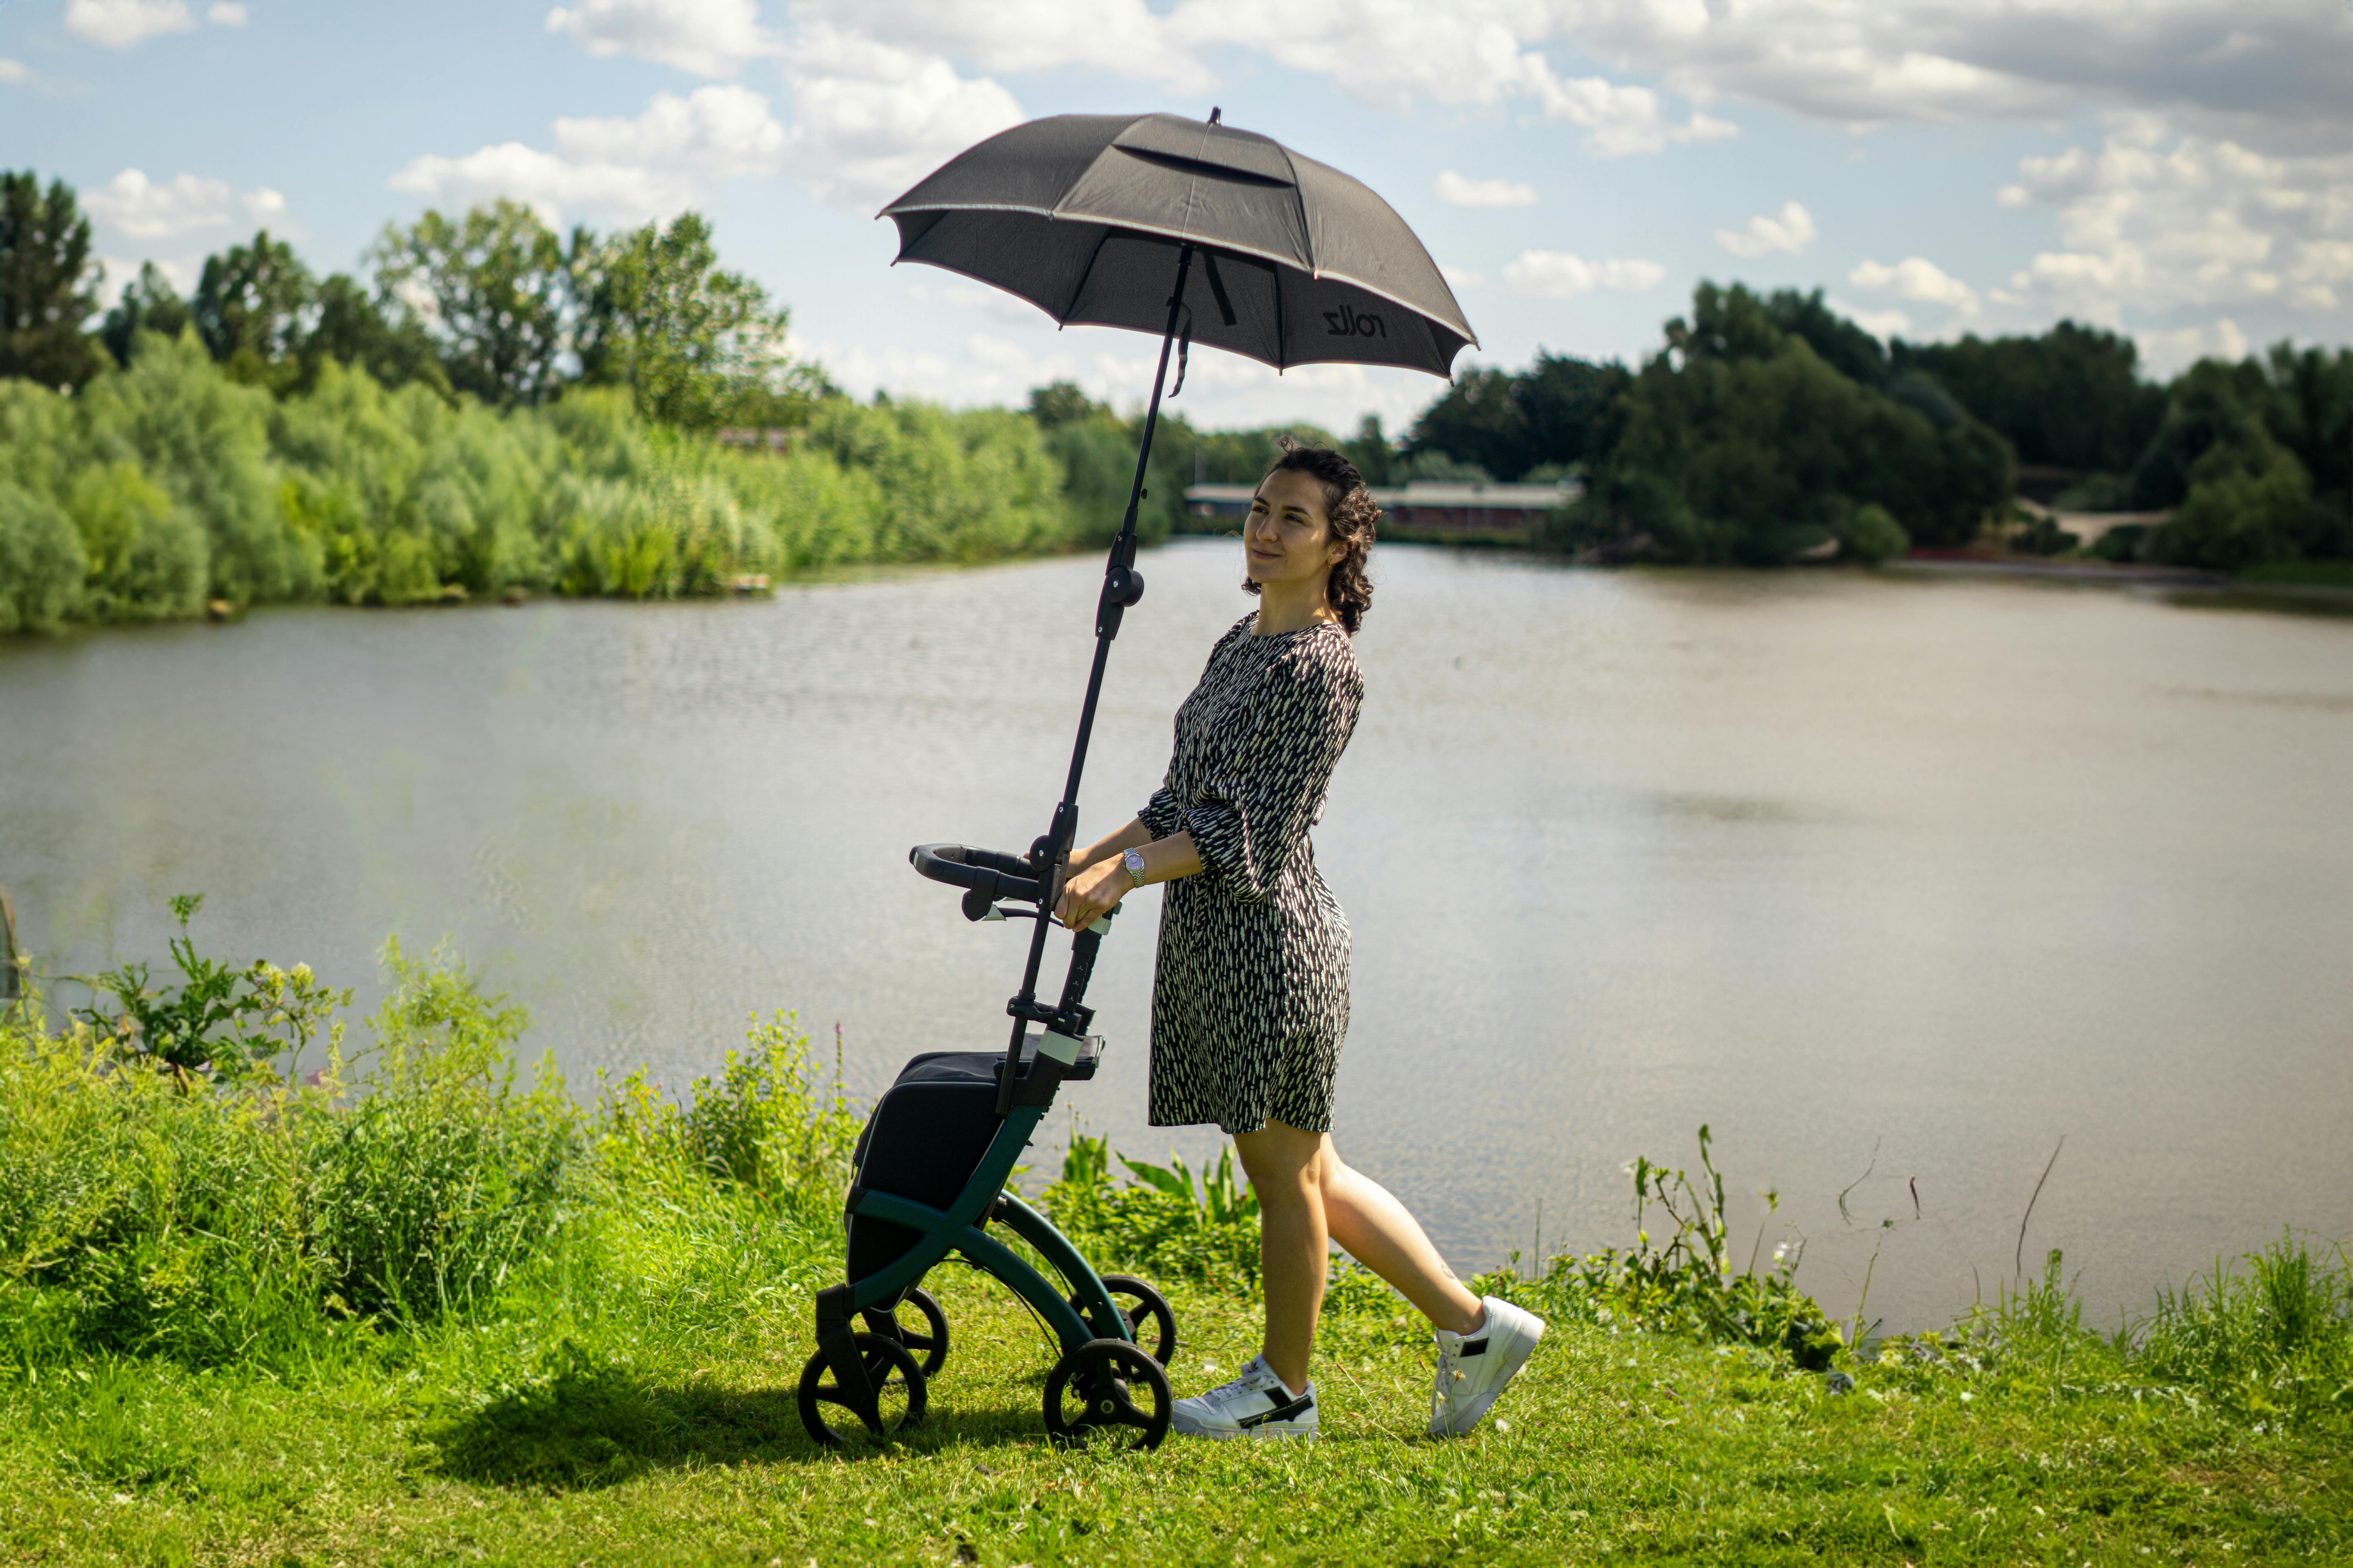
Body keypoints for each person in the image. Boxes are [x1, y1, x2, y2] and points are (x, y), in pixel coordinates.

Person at [1054, 440, 1544, 1442]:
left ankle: (1285, 1390)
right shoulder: (1242, 641)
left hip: (1273, 949)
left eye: (1295, 519)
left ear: (1338, 547)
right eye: (1259, 509)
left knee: (1282, 1173)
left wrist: (1128, 875)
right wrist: (1082, 857)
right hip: (1217, 943)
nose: (1266, 530)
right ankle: (1477, 1327)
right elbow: (1176, 801)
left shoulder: (1322, 666)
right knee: (1309, 1169)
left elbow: (1246, 830)